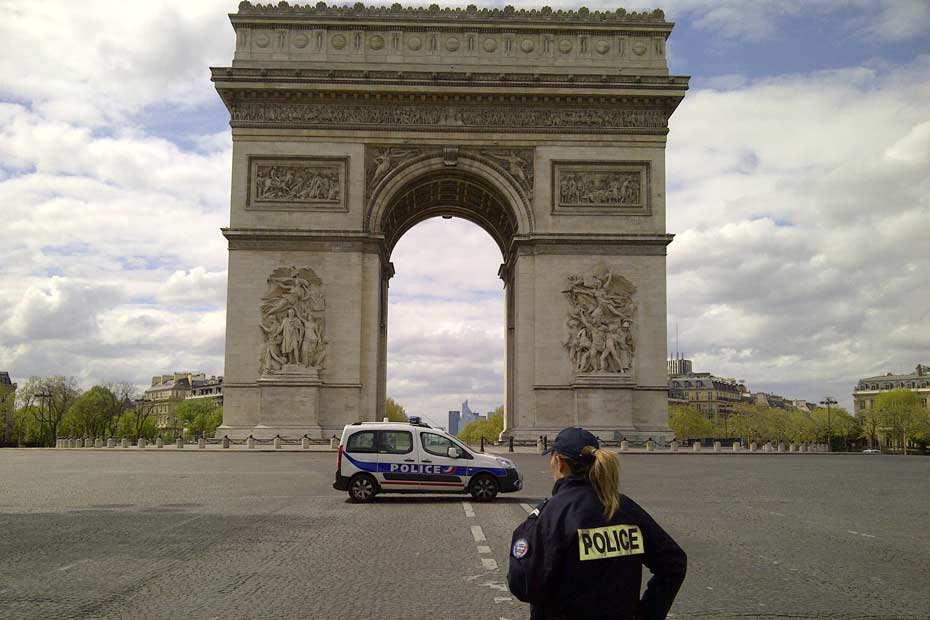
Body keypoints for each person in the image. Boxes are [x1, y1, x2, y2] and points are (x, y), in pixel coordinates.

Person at [508, 427, 686, 620]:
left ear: (559, 463)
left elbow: (524, 585)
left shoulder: (553, 513)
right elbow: (673, 562)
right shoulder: (624, 507)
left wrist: (529, 526)